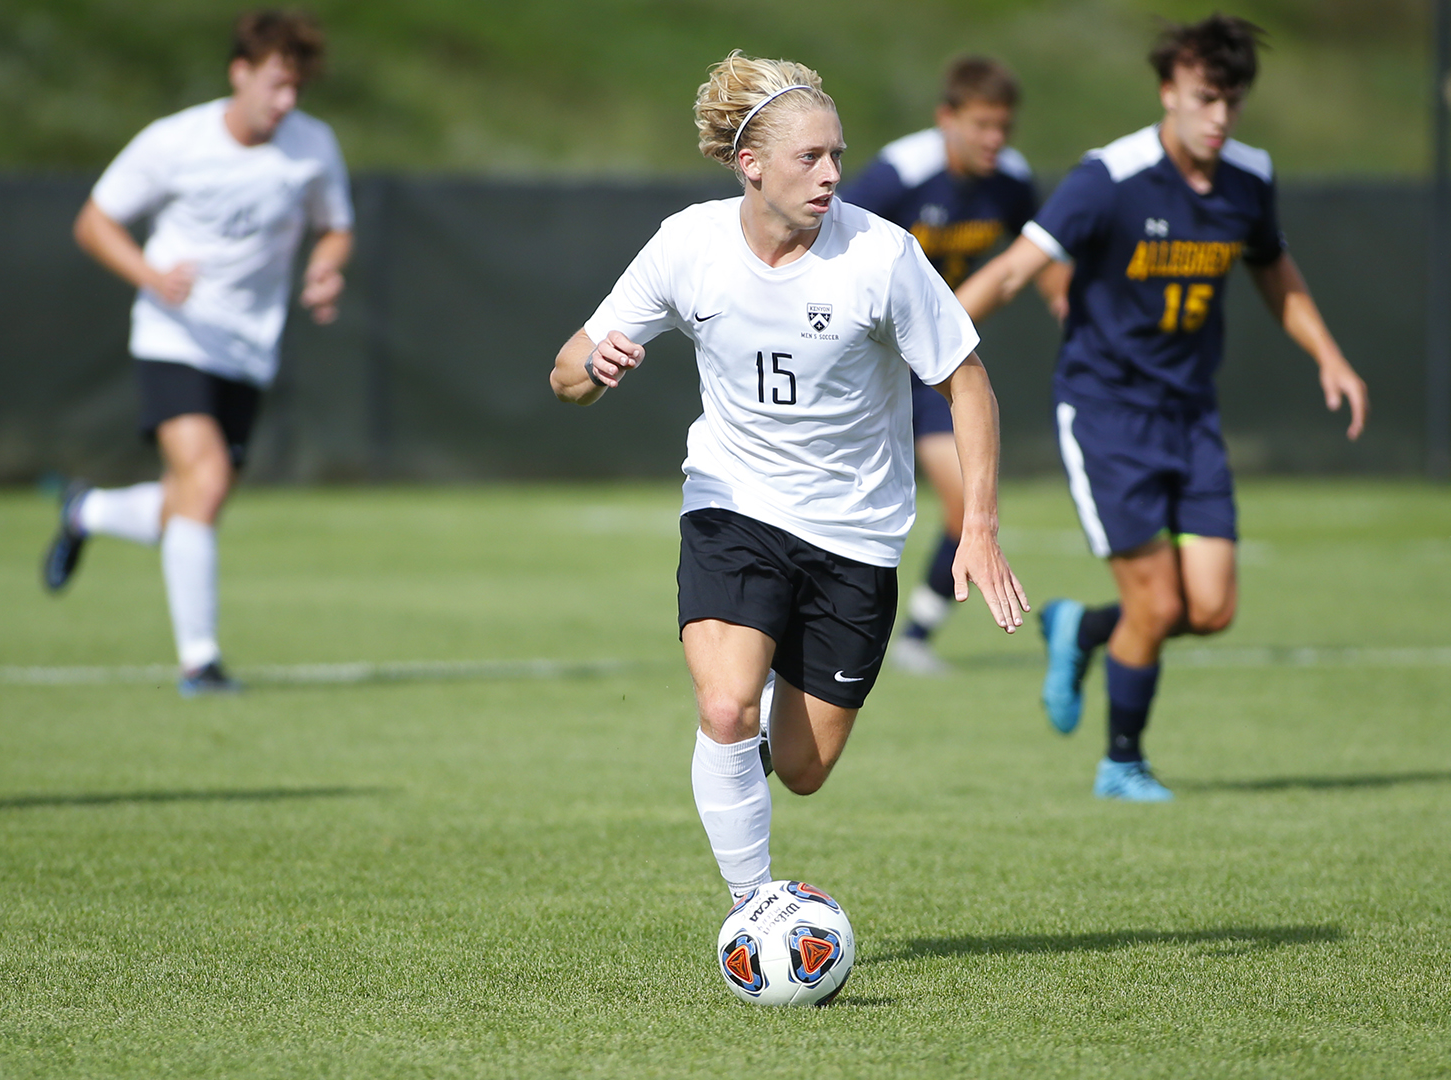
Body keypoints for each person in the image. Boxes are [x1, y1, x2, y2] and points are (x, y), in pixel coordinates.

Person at [550, 52, 1027, 901]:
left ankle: (732, 759)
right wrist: (598, 367)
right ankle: (754, 906)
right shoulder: (687, 245)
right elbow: (566, 374)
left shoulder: (881, 256)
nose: (832, 174)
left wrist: (981, 526)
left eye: (836, 154)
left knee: (803, 770)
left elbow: (968, 383)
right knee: (728, 705)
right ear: (751, 164)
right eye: (810, 157)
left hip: (856, 531)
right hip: (734, 504)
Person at [956, 15, 1367, 801]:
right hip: (1108, 412)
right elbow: (1012, 273)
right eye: (1206, 98)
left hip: (1191, 414)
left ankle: (1082, 628)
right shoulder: (1109, 178)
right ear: (1169, 90)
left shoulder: (1248, 178)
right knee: (1159, 600)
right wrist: (927, 345)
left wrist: (1330, 355)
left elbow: (1274, 272)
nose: (1219, 117)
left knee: (1210, 609)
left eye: (1232, 101)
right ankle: (1123, 762)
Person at [45, 9, 353, 696]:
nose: (286, 101)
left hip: (249, 348)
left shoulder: (312, 147)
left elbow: (335, 228)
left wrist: (325, 269)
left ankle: (85, 512)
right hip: (172, 337)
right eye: (276, 84)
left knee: (196, 500)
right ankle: (200, 663)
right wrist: (152, 276)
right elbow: (94, 222)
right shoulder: (175, 142)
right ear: (239, 73)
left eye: (296, 88)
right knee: (206, 480)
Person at [839, 55, 1068, 676]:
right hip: (864, 364)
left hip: (935, 369)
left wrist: (1062, 296)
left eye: (1004, 127)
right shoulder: (899, 175)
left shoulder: (1010, 180)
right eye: (981, 125)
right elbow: (827, 235)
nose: (994, 139)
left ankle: (912, 635)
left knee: (964, 502)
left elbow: (1043, 247)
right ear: (947, 118)